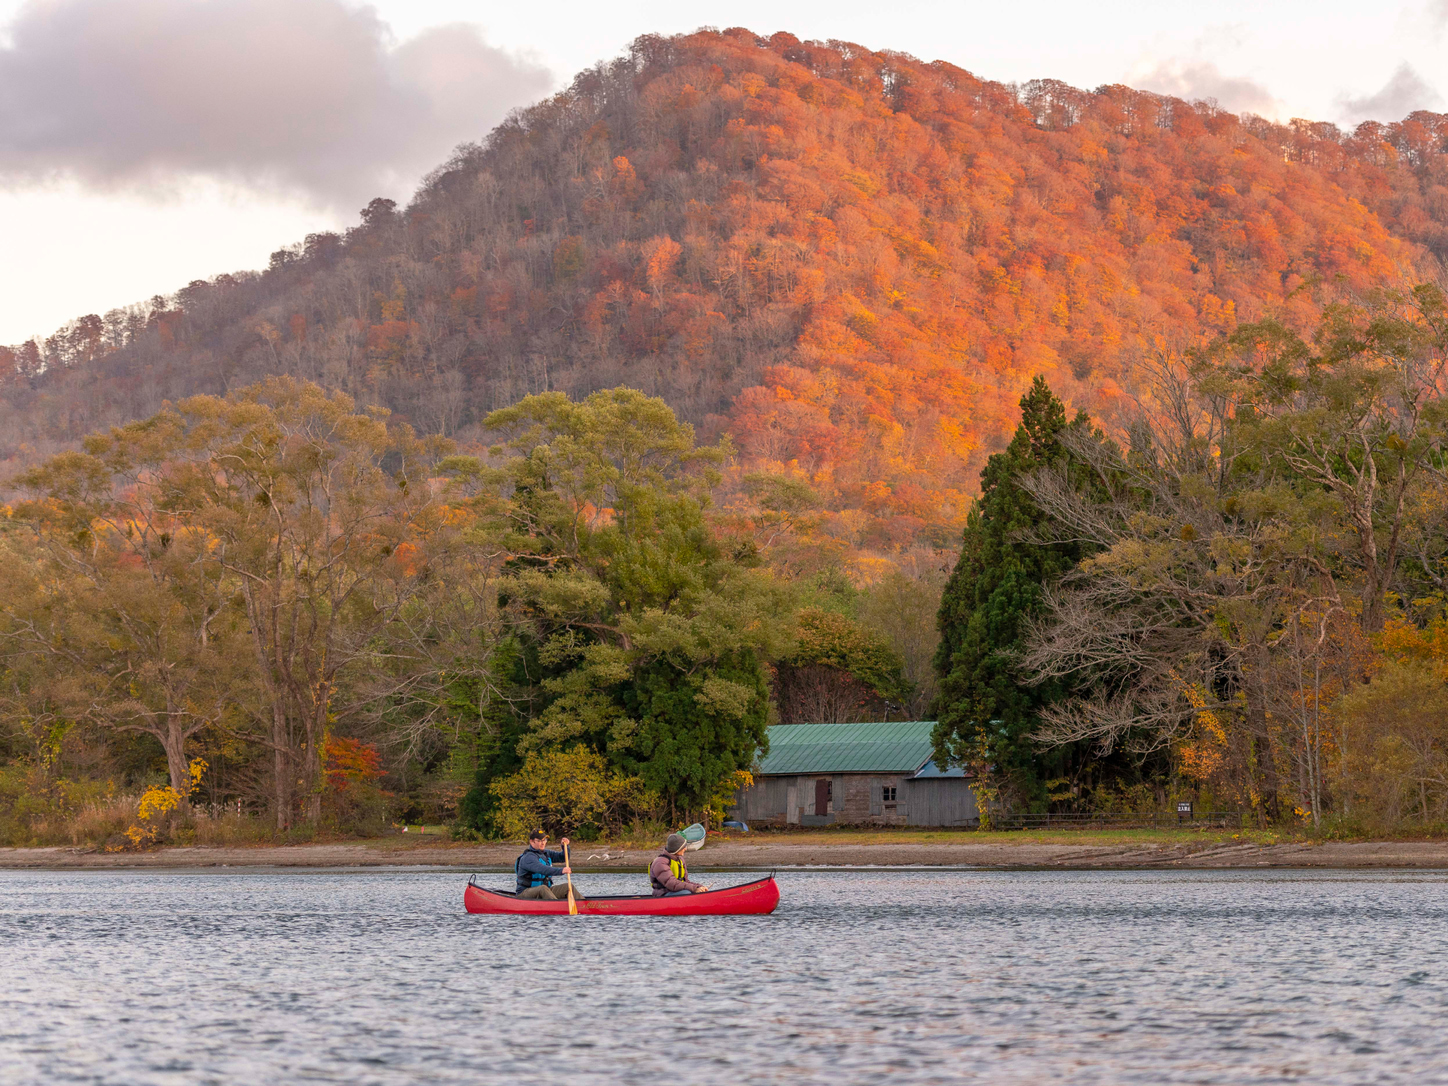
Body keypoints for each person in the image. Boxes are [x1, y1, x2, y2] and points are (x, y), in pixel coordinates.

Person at [514, 829, 586, 901]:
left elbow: (563, 857)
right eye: (539, 841)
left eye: (544, 840)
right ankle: (557, 907)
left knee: (568, 887)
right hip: (524, 894)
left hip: (543, 892)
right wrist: (561, 871)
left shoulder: (546, 853)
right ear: (532, 842)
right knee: (543, 888)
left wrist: (565, 846)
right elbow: (543, 869)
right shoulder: (528, 857)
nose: (543, 843)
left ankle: (586, 905)